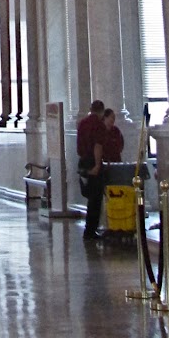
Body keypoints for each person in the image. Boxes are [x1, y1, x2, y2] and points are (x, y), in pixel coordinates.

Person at [76, 99, 108, 242]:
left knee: (90, 196)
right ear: (101, 111)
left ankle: (89, 229)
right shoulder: (99, 125)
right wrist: (97, 164)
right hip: (92, 161)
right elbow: (98, 146)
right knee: (96, 198)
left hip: (83, 161)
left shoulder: (82, 123)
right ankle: (91, 230)